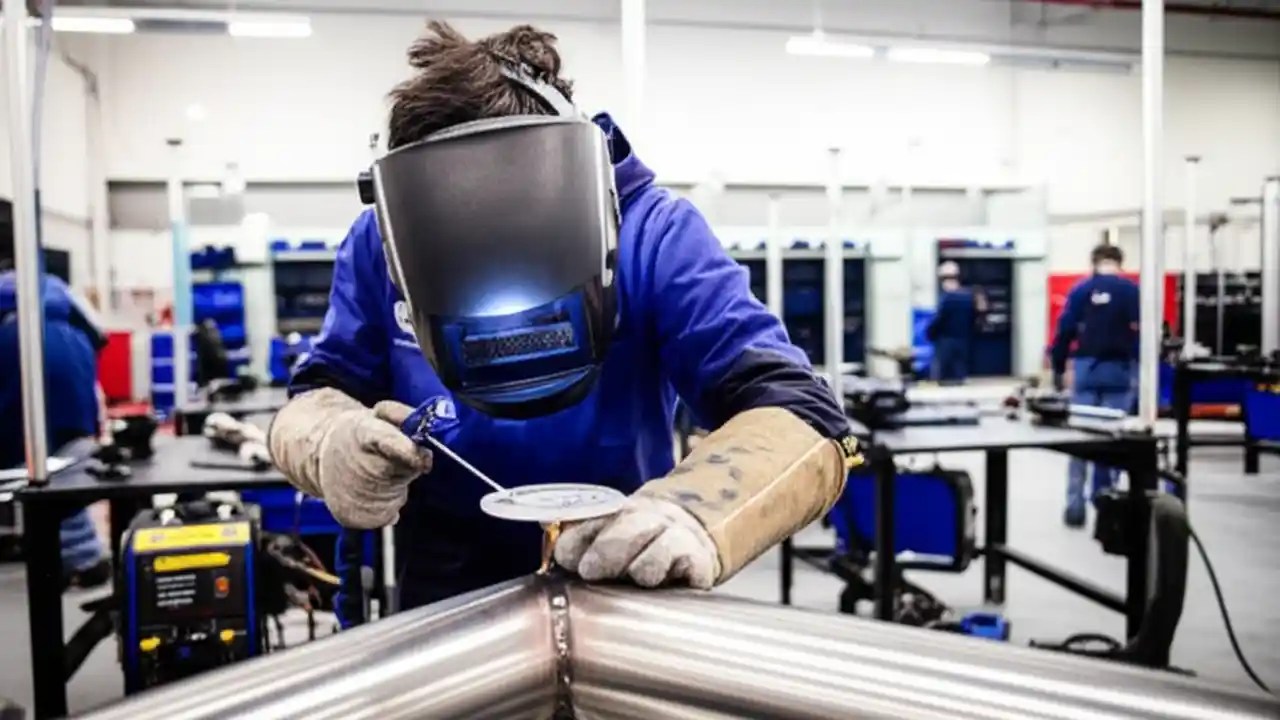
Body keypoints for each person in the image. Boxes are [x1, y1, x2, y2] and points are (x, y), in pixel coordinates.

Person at [267, 21, 859, 612]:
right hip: (442, 603)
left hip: (624, 583)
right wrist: (328, 441)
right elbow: (320, 391)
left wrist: (692, 512)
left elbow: (798, 411)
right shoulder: (383, 244)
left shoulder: (653, 234)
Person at [0, 267, 111, 588]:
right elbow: (100, 337)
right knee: (66, 473)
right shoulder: (60, 293)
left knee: (30, 470)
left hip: (21, 390)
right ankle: (84, 556)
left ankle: (62, 557)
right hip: (75, 391)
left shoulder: (9, 314)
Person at [1049, 243, 1140, 527]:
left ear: (1094, 262)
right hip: (1120, 371)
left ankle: (1074, 508)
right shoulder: (1131, 291)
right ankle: (1104, 504)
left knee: (1080, 440)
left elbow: (1064, 331)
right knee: (1110, 441)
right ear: (1119, 262)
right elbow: (1144, 333)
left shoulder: (1080, 290)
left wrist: (1058, 368)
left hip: (1087, 369)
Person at [928, 261, 976, 385]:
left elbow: (939, 319)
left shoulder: (947, 298)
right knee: (959, 373)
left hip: (945, 340)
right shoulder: (968, 296)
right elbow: (973, 318)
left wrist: (930, 333)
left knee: (942, 375)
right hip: (963, 340)